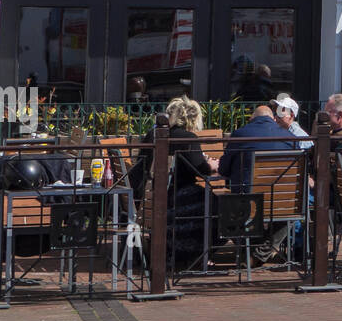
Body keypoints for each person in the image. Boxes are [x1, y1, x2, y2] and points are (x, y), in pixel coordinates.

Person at [126, 96, 217, 267]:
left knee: (206, 198)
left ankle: (183, 252)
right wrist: (212, 165)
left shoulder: (153, 133)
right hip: (170, 200)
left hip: (146, 199)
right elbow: (200, 169)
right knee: (216, 205)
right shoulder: (187, 138)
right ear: (192, 118)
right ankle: (194, 255)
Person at [218, 103, 296, 191]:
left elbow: (223, 170)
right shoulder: (291, 138)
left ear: (252, 118)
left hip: (247, 197)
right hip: (281, 196)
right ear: (273, 119)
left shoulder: (240, 134)